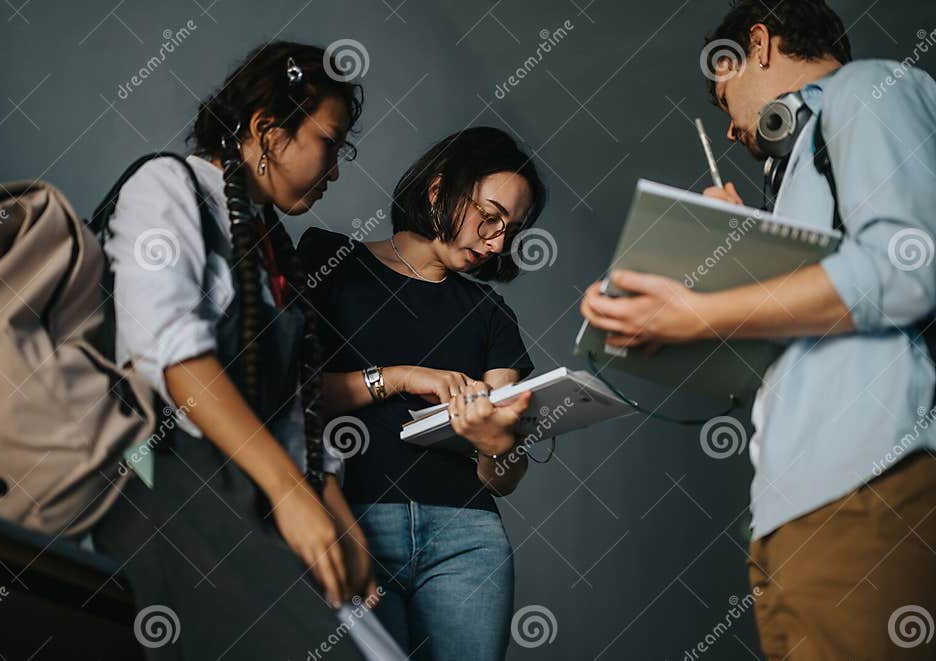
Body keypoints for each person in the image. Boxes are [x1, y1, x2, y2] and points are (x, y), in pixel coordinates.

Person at [580, 2, 936, 659]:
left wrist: (702, 313)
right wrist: (730, 269)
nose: (735, 130)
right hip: (791, 513)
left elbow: (908, 266)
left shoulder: (867, 88)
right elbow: (803, 342)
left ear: (760, 46)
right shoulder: (801, 177)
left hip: (864, 482)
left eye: (725, 99)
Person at [92, 41, 376, 660]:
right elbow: (174, 359)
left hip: (243, 493)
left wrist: (341, 524)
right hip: (154, 484)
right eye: (330, 143)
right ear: (266, 131)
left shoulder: (274, 249)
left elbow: (294, 417)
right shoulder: (167, 188)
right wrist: (290, 494)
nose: (336, 170)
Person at [298, 126, 546, 661]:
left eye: (512, 229)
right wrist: (400, 376)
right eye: (491, 216)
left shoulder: (491, 315)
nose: (498, 241)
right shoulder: (331, 263)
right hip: (354, 517)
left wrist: (496, 445)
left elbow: (504, 480)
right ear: (439, 191)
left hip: (469, 538)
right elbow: (292, 397)